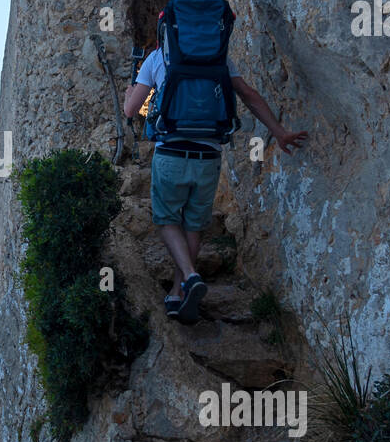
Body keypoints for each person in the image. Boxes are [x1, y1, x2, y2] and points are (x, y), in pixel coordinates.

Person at [123, 42, 307, 322]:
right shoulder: (219, 59)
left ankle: (190, 275)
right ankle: (178, 292)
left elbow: (131, 109)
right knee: (193, 224)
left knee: (166, 220)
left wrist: (128, 95)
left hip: (171, 153)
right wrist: (279, 132)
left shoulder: (157, 57)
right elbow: (248, 94)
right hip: (208, 154)